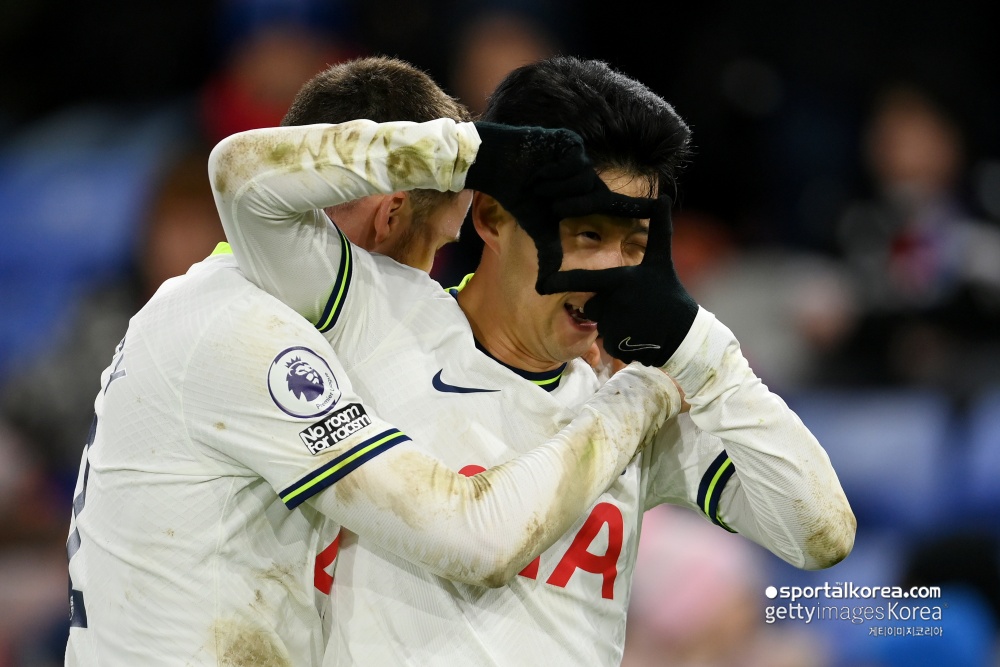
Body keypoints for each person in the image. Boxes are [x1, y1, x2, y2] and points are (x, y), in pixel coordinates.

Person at [213, 55, 855, 665]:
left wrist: (702, 352)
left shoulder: (639, 403)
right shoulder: (372, 317)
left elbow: (818, 536)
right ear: (491, 218)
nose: (612, 274)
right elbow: (242, 180)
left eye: (635, 245)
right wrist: (467, 153)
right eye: (588, 236)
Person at [64, 57, 682, 666]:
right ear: (389, 215)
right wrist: (635, 401)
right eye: (440, 245)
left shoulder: (193, 301)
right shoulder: (253, 334)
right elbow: (475, 538)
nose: (435, 279)